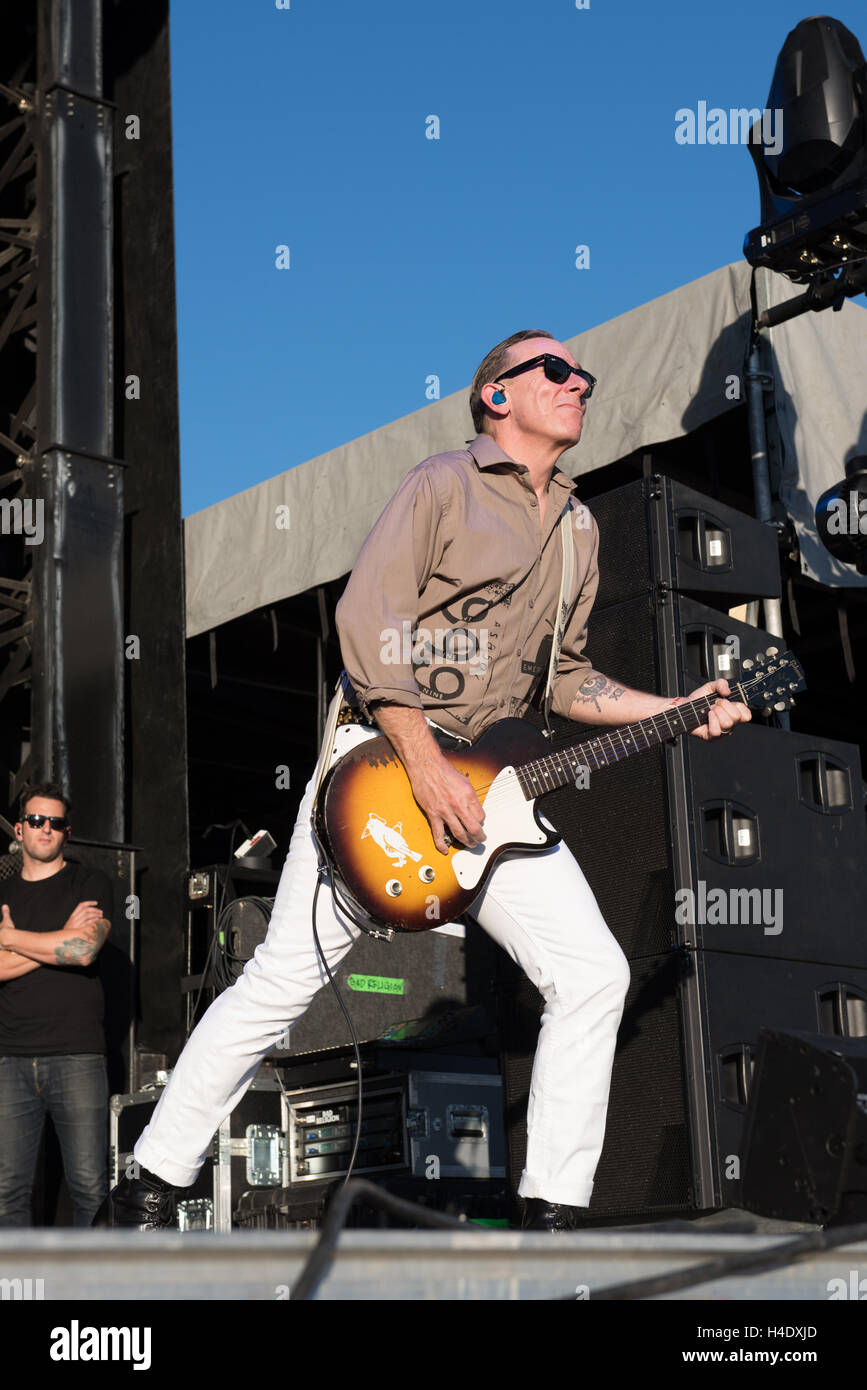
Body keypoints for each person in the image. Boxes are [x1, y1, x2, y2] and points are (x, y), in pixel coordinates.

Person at [97, 330, 750, 1232]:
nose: (577, 385)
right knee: (281, 983)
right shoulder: (443, 483)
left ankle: (549, 1218)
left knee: (592, 973)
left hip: (497, 792)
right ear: (496, 395)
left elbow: (569, 683)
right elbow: (367, 622)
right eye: (553, 371)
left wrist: (679, 706)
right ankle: (146, 1189)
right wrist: (423, 761)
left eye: (584, 375)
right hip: (389, 768)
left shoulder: (580, 529)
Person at [0, 782, 114, 1227]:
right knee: (8, 1191)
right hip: (9, 1058)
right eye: (35, 820)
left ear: (67, 832)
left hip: (77, 1055)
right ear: (19, 830)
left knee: (89, 1186)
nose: (45, 829)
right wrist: (58, 937)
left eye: (55, 822)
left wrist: (10, 940)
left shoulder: (91, 882)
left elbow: (83, 951)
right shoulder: (2, 892)